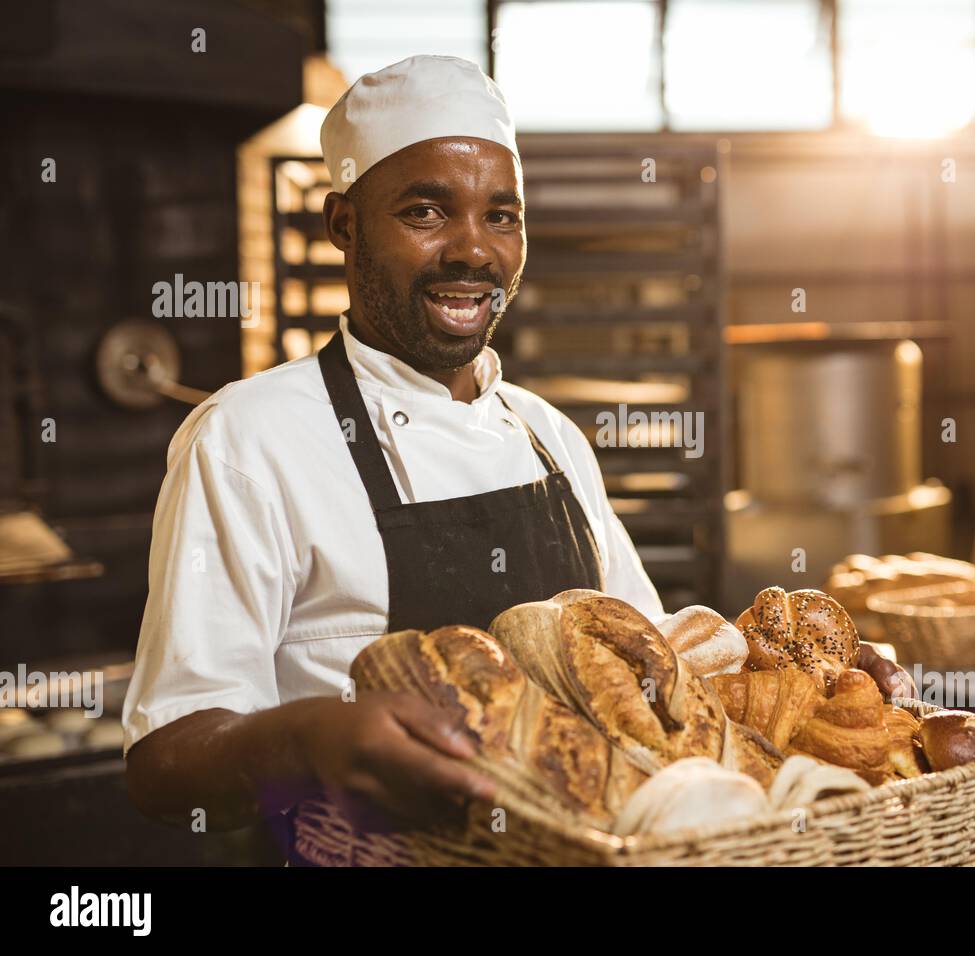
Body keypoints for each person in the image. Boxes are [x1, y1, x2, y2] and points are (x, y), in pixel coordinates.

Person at [122, 55, 663, 839]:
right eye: (425, 213)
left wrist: (817, 679)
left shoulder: (551, 437)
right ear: (343, 224)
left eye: (501, 215)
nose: (474, 252)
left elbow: (656, 664)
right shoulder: (249, 439)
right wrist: (309, 738)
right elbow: (164, 763)